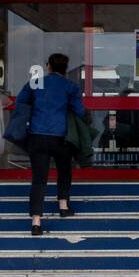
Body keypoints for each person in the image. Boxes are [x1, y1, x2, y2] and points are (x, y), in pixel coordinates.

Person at [14, 53, 87, 237]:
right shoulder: (70, 86)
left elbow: (21, 101)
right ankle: (63, 206)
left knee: (39, 179)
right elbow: (80, 111)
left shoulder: (35, 83)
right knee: (64, 170)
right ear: (66, 68)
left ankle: (36, 222)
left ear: (48, 66)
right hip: (60, 137)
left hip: (37, 135)